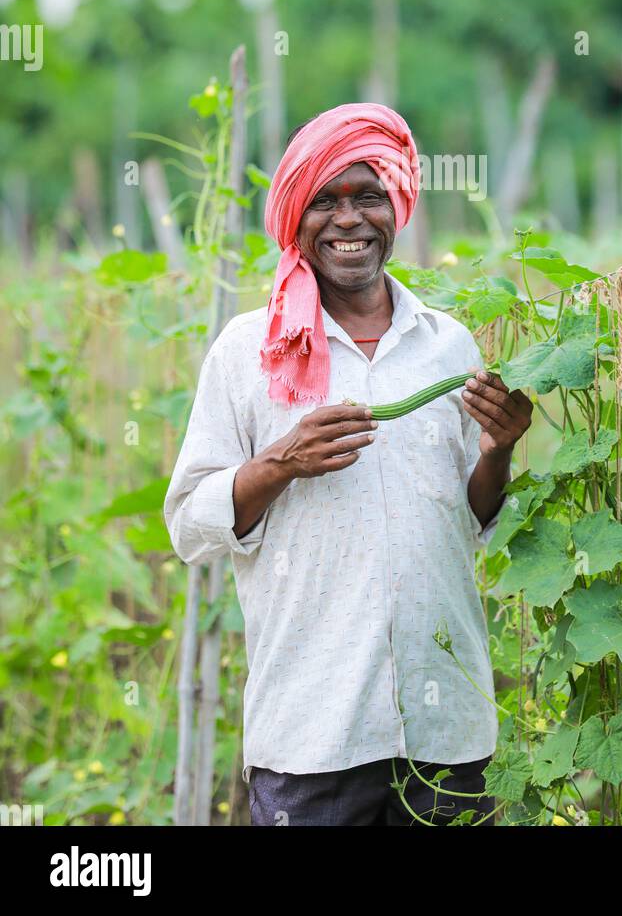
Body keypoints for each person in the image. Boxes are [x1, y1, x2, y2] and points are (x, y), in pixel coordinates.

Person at [164, 102, 533, 826]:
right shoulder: (248, 352)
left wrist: (500, 452)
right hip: (313, 736)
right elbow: (188, 526)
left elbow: (472, 519)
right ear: (295, 217)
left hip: (446, 726)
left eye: (367, 197)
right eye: (325, 202)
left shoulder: (447, 346)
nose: (349, 220)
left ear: (395, 208)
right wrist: (281, 463)